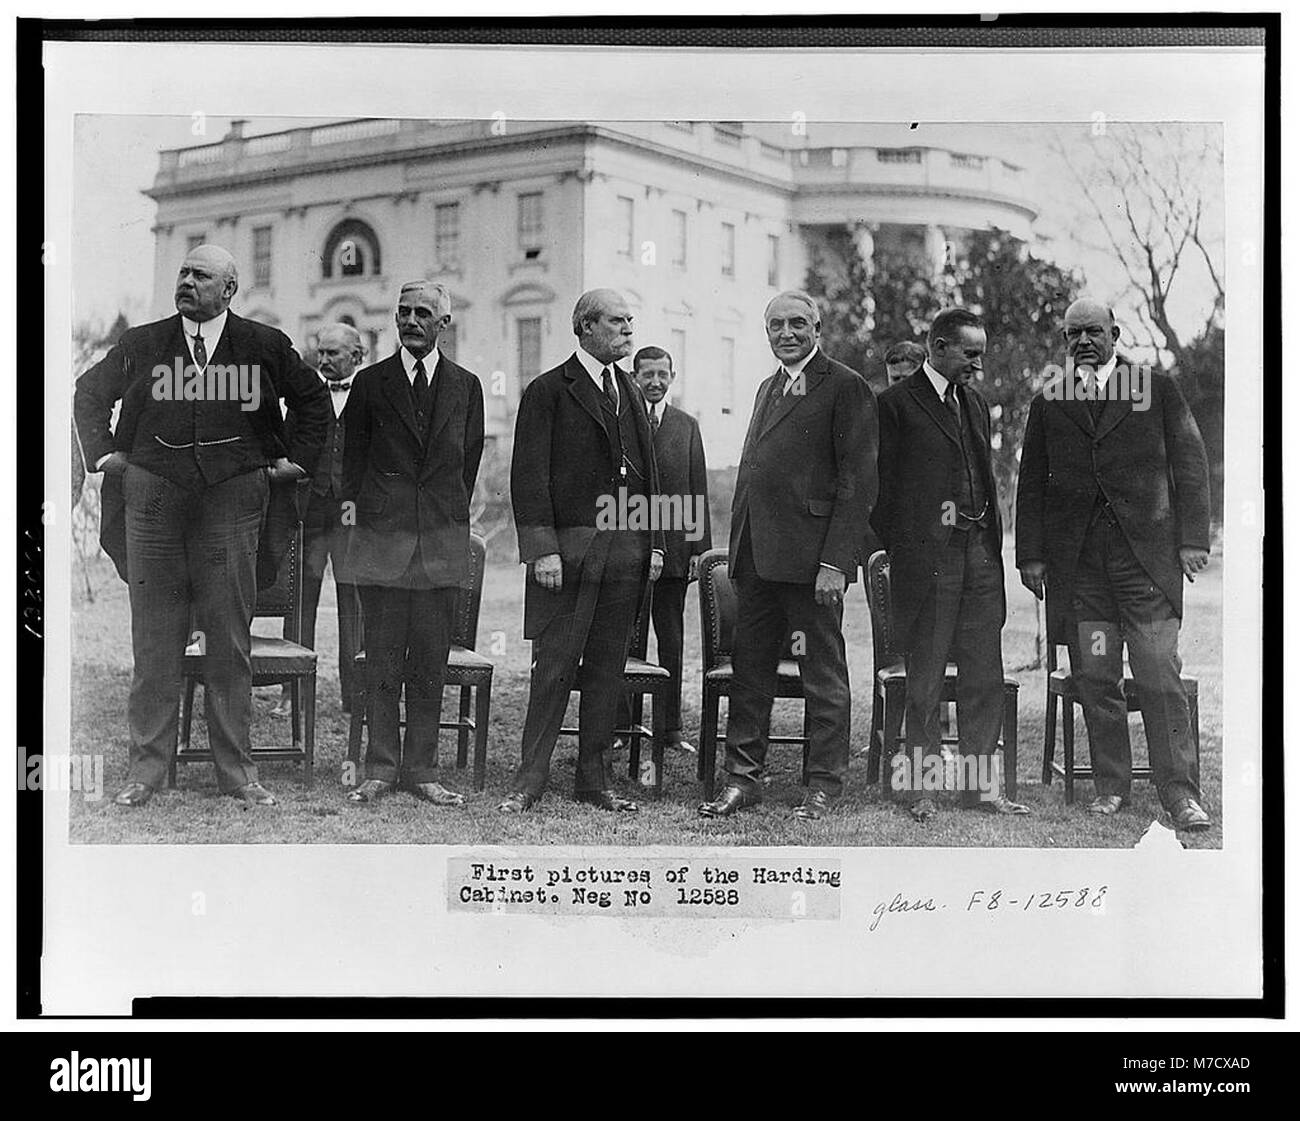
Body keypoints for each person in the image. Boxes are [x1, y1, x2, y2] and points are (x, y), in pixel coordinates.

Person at [74, 244, 330, 807]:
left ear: (229, 289)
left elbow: (314, 402)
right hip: (154, 503)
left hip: (232, 503)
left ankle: (237, 773)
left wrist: (293, 463)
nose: (187, 281)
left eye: (201, 275)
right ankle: (147, 771)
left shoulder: (264, 346)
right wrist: (105, 456)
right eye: (183, 272)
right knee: (155, 639)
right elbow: (90, 394)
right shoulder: (142, 345)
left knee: (228, 639)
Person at [1016, 298, 1212, 830]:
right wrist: (1030, 554)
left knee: (1157, 674)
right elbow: (1031, 480)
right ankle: (1111, 787)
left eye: (1092, 332)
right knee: (1096, 677)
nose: (1082, 341)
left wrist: (1193, 539)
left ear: (1114, 334)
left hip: (1145, 567)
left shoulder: (1156, 389)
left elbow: (1190, 463)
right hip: (1082, 574)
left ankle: (1179, 792)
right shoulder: (1051, 399)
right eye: (1072, 334)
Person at [698, 290, 876, 820]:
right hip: (757, 564)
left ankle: (822, 784)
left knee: (822, 676)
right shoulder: (766, 388)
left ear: (818, 328)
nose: (786, 333)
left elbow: (859, 483)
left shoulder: (846, 387)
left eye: (798, 323)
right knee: (750, 675)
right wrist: (739, 551)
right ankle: (742, 779)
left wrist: (834, 564)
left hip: (810, 567)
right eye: (776, 325)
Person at [502, 289, 664, 814]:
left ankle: (593, 781)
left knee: (606, 671)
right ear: (585, 327)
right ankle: (530, 780)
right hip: (566, 560)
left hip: (623, 559)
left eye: (629, 322)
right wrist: (542, 551)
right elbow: (528, 478)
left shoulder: (630, 391)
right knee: (553, 670)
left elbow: (649, 476)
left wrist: (653, 544)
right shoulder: (548, 390)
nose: (627, 330)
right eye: (617, 322)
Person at [871, 306, 1028, 822]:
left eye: (981, 354)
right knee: (927, 679)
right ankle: (919, 790)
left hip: (980, 558)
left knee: (984, 675)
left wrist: (987, 540)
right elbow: (881, 491)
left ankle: (981, 789)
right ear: (938, 346)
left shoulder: (976, 405)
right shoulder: (894, 404)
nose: (978, 366)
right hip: (929, 565)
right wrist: (909, 548)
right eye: (970, 353)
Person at [341, 281, 485, 807]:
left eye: (423, 313)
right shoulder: (371, 383)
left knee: (428, 661)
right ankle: (380, 766)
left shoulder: (466, 387)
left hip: (440, 548)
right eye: (403, 312)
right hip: (381, 546)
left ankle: (422, 769)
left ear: (443, 323)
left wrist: (441, 518)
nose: (411, 321)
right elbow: (349, 466)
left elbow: (465, 465)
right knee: (381, 660)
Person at [615, 345, 711, 766]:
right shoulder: (623, 422)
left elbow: (697, 489)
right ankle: (623, 725)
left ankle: (670, 728)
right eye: (647, 374)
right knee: (623, 638)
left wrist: (698, 550)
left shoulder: (686, 426)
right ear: (634, 376)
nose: (654, 382)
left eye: (662, 374)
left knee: (670, 640)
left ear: (672, 376)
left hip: (673, 554)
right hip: (629, 553)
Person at [271, 322, 366, 718]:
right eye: (320, 353)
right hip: (309, 514)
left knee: (355, 605)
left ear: (357, 357)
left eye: (333, 354)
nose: (323, 361)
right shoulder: (305, 396)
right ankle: (291, 693)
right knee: (299, 602)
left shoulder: (373, 392)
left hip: (354, 518)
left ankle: (355, 695)